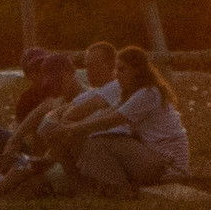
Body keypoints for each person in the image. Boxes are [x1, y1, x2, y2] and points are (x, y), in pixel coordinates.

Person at [0, 40, 126, 199]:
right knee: (22, 169)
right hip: (66, 159)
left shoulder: (92, 95)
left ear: (69, 74)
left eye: (59, 82)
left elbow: (64, 133)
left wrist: (40, 159)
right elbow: (43, 110)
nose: (56, 88)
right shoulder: (68, 97)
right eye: (52, 84)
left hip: (85, 161)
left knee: (29, 178)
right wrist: (16, 139)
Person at [70, 46, 189, 198]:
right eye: (116, 70)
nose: (117, 75)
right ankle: (114, 188)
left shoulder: (148, 93)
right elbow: (108, 114)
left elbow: (110, 120)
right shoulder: (132, 93)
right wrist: (74, 127)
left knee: (98, 142)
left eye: (122, 70)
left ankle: (121, 189)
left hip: (168, 164)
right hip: (155, 157)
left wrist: (72, 128)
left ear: (137, 71)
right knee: (97, 140)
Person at [0, 46, 77, 170]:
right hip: (31, 147)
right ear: (28, 75)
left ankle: (28, 171)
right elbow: (19, 130)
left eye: (42, 67)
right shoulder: (26, 99)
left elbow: (50, 107)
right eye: (34, 70)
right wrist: (15, 141)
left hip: (55, 146)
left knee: (44, 122)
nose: (40, 72)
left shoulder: (61, 87)